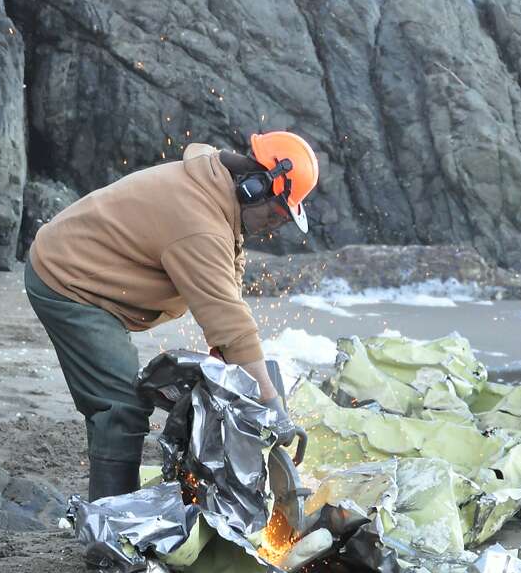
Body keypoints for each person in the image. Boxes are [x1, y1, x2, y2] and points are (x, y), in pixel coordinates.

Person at [25, 131, 318, 500]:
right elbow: (229, 320)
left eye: (285, 220)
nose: (275, 226)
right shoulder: (199, 221)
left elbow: (228, 279)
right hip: (68, 282)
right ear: (254, 187)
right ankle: (112, 526)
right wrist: (272, 406)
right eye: (276, 213)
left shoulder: (218, 193)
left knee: (127, 395)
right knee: (121, 405)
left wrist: (231, 359)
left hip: (93, 275)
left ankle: (116, 510)